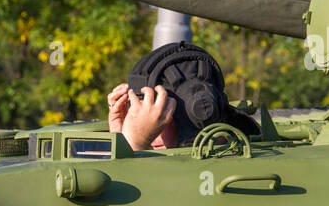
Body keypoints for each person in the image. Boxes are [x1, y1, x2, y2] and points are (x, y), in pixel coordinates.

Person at [107, 43, 260, 152]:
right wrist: (121, 141)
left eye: (155, 114)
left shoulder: (228, 159)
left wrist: (135, 143)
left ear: (191, 114)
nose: (147, 128)